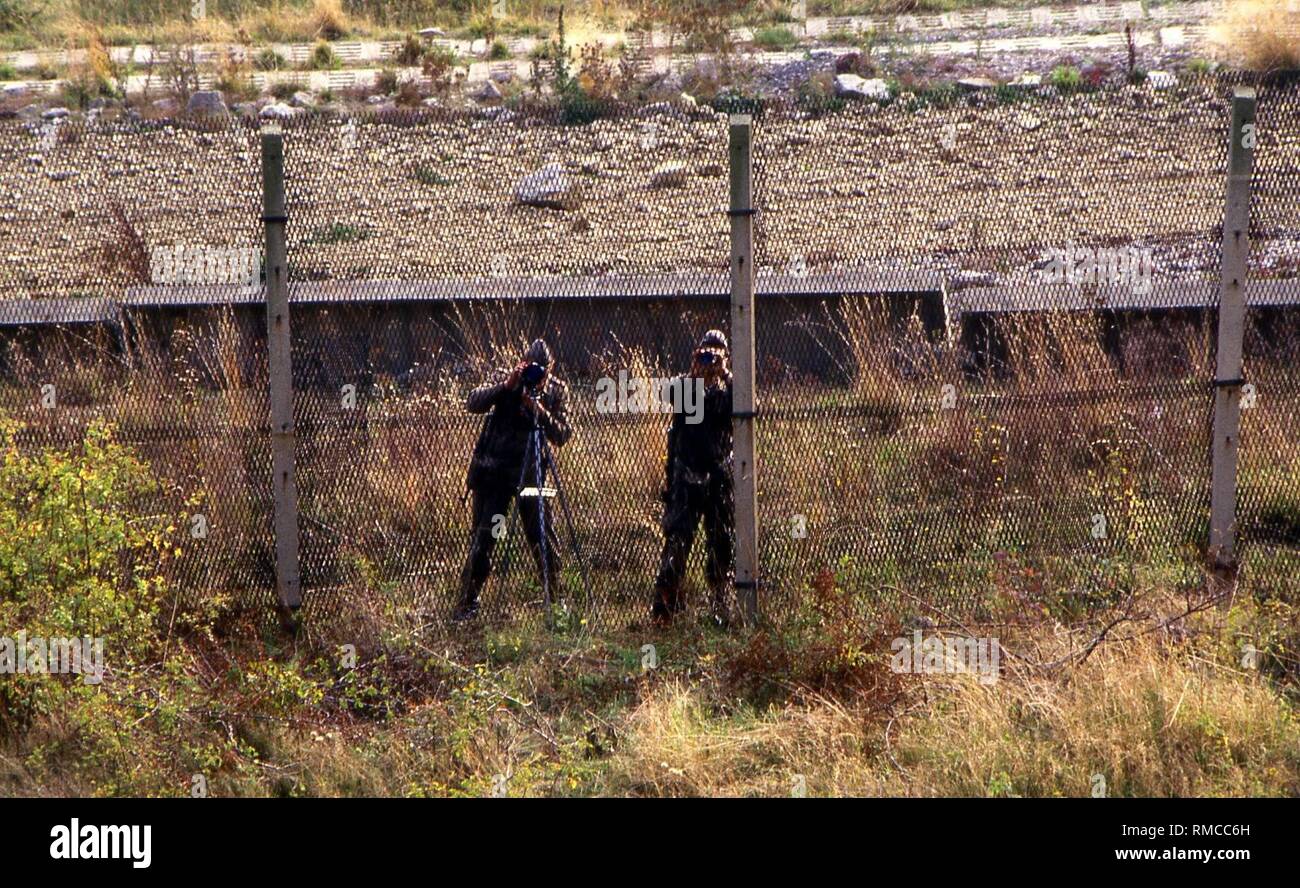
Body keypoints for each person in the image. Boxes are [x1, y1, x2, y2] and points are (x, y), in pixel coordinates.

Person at [453, 338, 571, 621]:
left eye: (541, 371)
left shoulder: (556, 391)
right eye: (531, 368)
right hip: (496, 476)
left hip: (530, 476)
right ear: (522, 363)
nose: (535, 375)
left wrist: (537, 409)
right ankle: (466, 604)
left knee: (543, 541)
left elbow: (563, 434)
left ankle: (555, 604)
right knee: (485, 538)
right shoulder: (508, 381)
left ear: (550, 370)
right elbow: (473, 402)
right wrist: (506, 387)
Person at [652, 329, 734, 627]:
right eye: (705, 351)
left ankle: (720, 605)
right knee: (677, 542)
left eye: (716, 352)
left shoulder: (728, 391)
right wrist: (695, 375)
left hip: (718, 477)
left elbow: (748, 405)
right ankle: (665, 610)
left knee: (721, 543)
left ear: (725, 357)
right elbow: (667, 393)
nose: (709, 357)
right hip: (686, 478)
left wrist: (724, 374)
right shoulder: (687, 387)